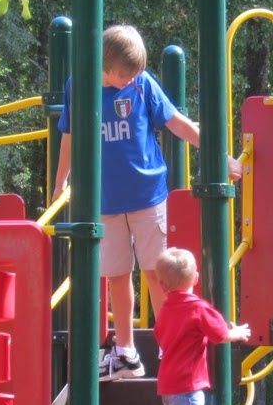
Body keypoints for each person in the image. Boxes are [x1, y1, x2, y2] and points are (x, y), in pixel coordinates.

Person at [53, 24, 242, 380]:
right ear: (105, 68)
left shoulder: (141, 83)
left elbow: (178, 124)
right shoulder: (80, 86)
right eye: (124, 75)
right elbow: (70, 134)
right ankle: (125, 353)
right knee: (117, 276)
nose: (130, 80)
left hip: (148, 197)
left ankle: (169, 346)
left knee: (157, 273)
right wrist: (61, 180)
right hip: (104, 201)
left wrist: (221, 156)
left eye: (134, 74)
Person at [151, 247, 251, 405]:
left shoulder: (166, 310)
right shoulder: (197, 307)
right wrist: (236, 332)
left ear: (163, 286)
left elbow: (159, 333)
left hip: (169, 379)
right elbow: (219, 334)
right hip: (187, 379)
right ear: (195, 279)